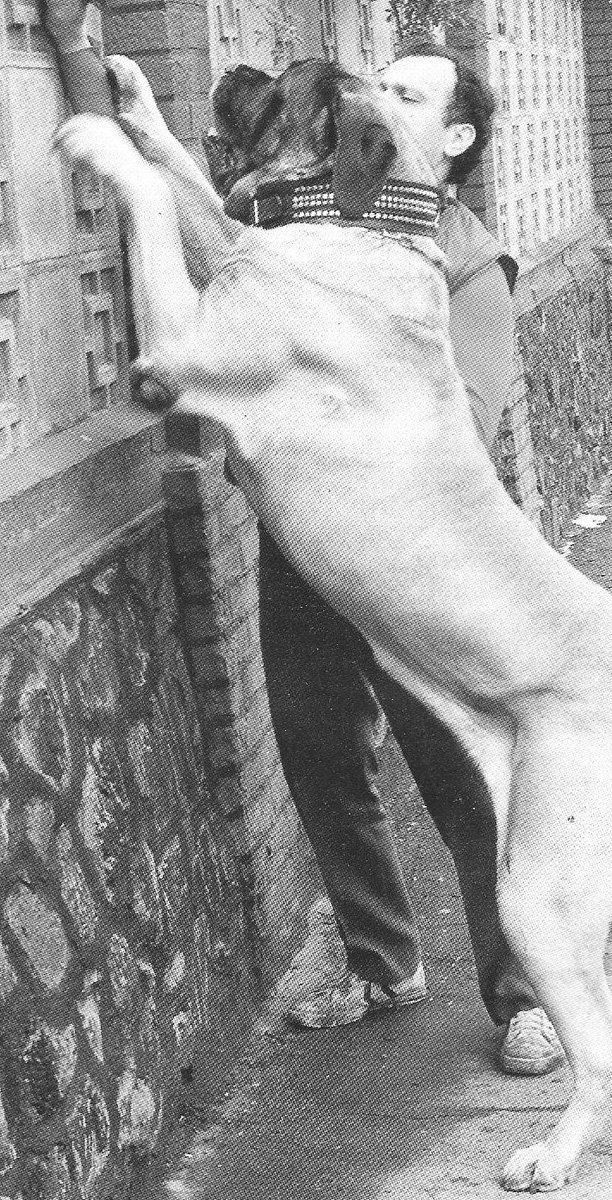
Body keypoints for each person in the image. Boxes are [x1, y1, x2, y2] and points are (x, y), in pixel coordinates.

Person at [42, 5, 565, 1076]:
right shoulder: (318, 225)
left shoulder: (464, 261)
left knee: (462, 776)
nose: (377, 97)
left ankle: (525, 994)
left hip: (422, 559)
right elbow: (230, 259)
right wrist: (149, 129)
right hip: (306, 541)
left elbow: (463, 419)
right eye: (379, 84)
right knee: (322, 757)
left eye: (410, 93)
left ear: (454, 139)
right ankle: (384, 965)